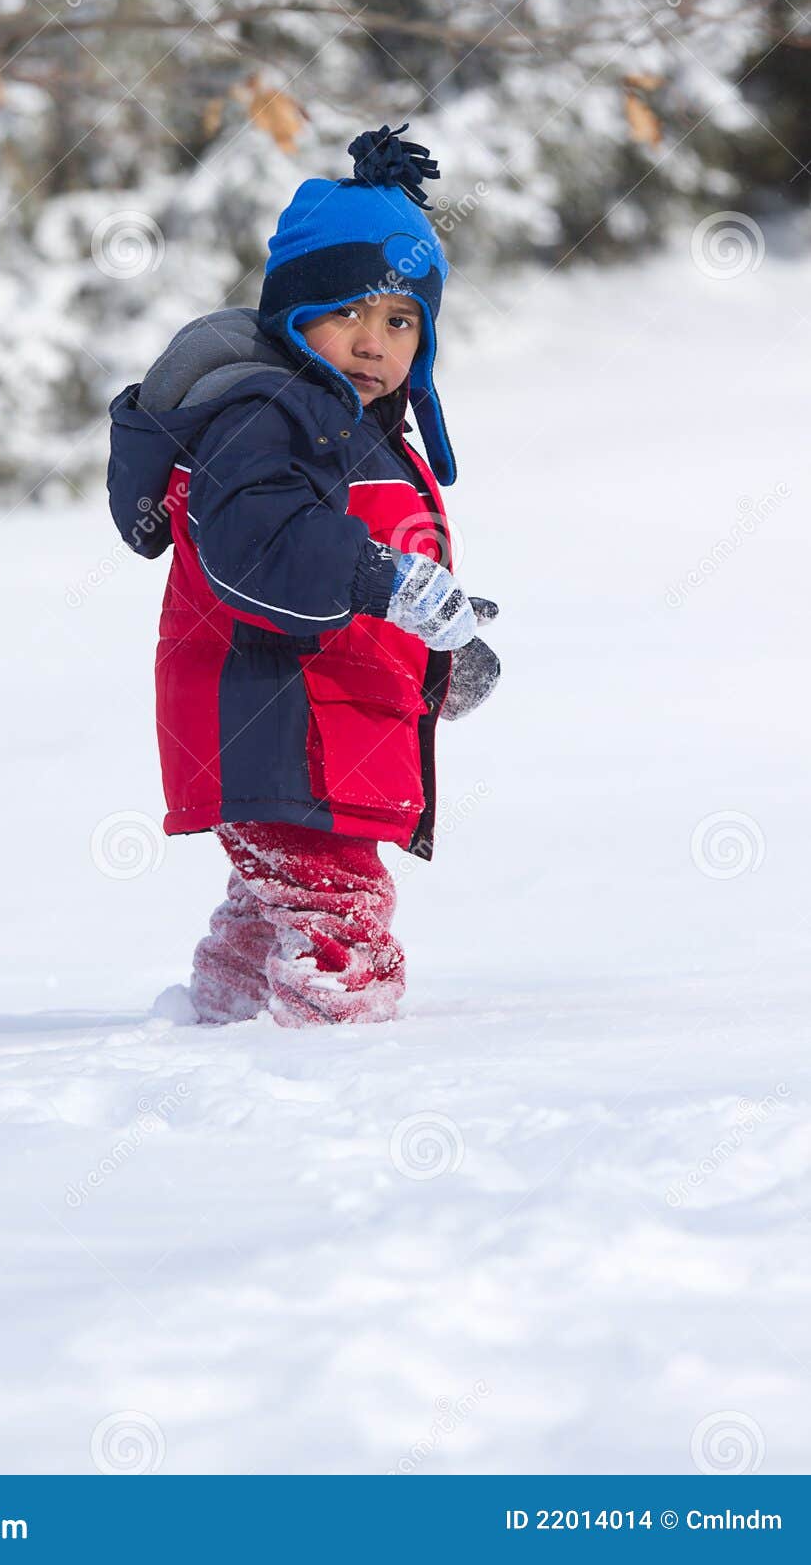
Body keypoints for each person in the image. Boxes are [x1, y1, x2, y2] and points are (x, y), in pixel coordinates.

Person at [107, 123, 501, 1029]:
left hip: (324, 723)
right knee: (337, 919)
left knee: (269, 908)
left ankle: (221, 1029)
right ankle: (334, 1074)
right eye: (346, 313)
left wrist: (436, 654)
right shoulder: (265, 414)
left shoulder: (357, 432)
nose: (373, 342)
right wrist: (393, 589)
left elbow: (367, 567)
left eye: (400, 320)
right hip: (277, 719)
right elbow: (260, 546)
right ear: (291, 315)